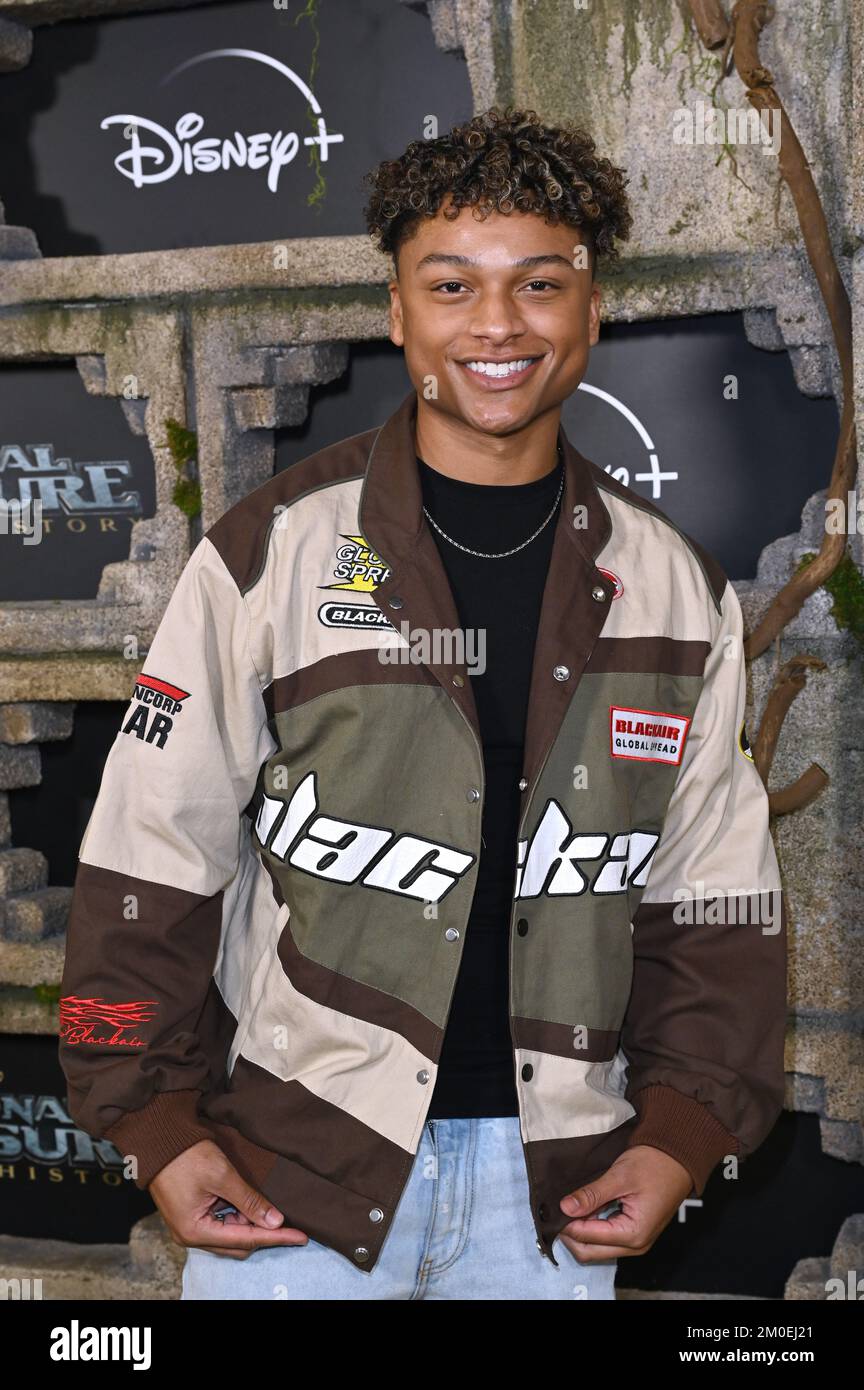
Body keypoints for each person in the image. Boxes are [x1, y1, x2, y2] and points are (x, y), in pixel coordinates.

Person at [58, 107, 787, 1301]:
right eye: (452, 285)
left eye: (538, 284)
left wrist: (678, 1134)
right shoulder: (272, 554)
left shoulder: (671, 585)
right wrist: (154, 1127)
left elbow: (714, 895)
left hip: (557, 1190)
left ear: (592, 309)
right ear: (398, 313)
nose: (496, 325)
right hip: (291, 1167)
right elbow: (150, 852)